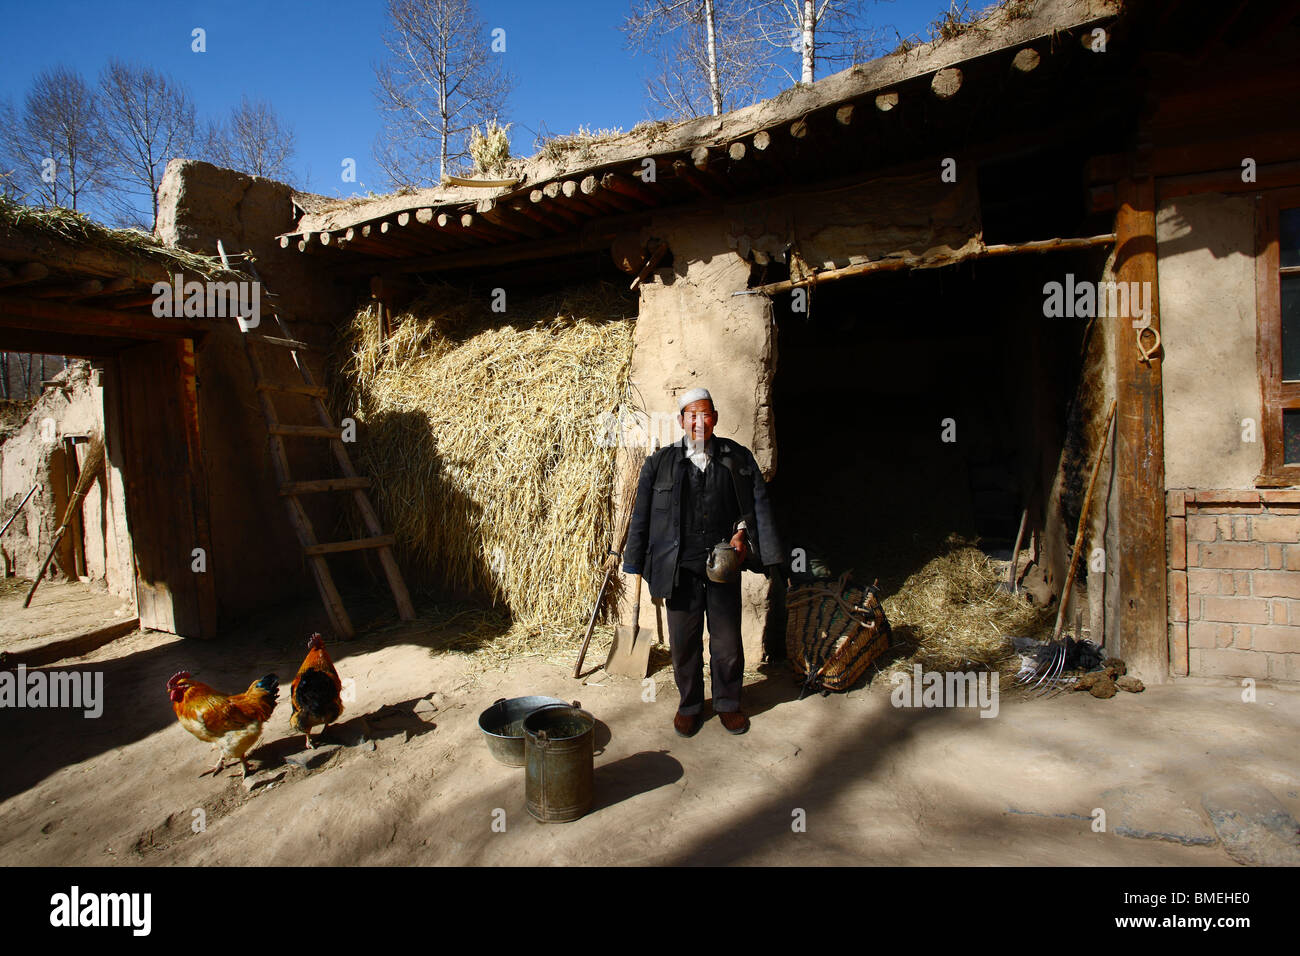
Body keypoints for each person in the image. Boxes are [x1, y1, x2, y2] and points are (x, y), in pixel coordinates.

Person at [623, 387, 782, 736]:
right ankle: (690, 705)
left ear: (715, 419)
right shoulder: (659, 464)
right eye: (691, 415)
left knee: (726, 641)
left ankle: (727, 703)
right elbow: (642, 516)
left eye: (705, 414)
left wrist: (743, 533)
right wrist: (634, 561)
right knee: (683, 642)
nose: (698, 421)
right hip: (678, 567)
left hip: (723, 565)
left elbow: (755, 504)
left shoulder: (736, 458)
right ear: (681, 421)